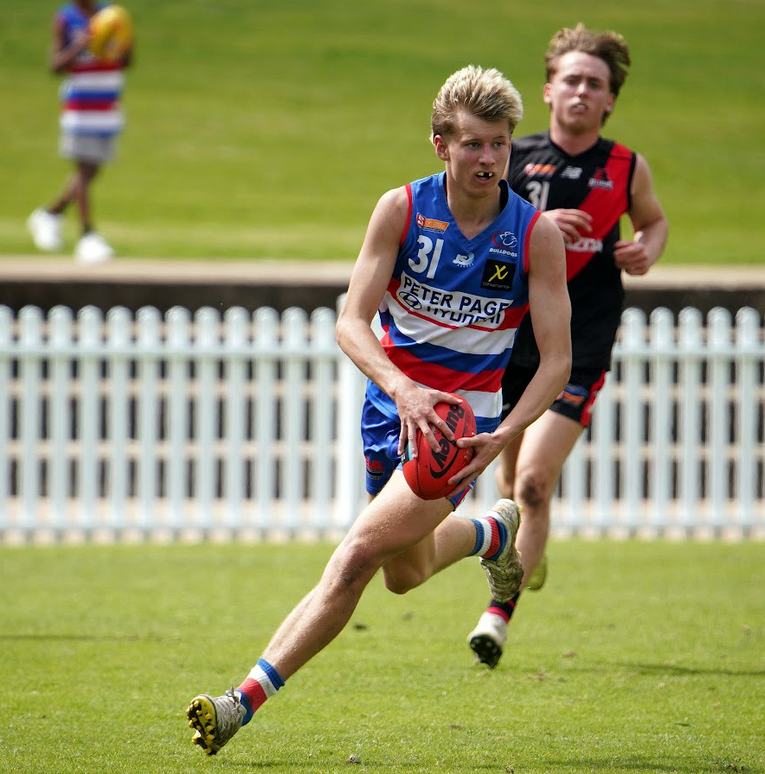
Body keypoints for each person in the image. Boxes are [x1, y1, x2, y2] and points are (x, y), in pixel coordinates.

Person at [185, 65, 572, 757]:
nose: (488, 159)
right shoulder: (401, 209)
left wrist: (505, 432)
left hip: (458, 432)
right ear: (440, 146)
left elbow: (556, 361)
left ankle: (240, 701)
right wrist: (403, 389)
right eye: (474, 144)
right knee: (405, 573)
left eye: (501, 144)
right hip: (388, 408)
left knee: (358, 556)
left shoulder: (534, 235)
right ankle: (490, 534)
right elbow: (351, 324)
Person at [466, 24, 669, 669]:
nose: (582, 91)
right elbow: (481, 231)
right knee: (505, 477)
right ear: (549, 88)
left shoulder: (625, 166)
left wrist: (646, 249)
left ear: (610, 100)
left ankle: (497, 617)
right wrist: (538, 227)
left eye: (596, 84)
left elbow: (655, 222)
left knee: (530, 482)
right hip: (509, 340)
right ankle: (528, 548)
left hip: (579, 348)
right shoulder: (511, 159)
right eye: (572, 80)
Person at [27, 0, 132, 264]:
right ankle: (88, 236)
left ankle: (51, 214)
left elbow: (127, 61)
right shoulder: (66, 18)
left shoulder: (113, 15)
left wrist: (123, 43)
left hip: (107, 103)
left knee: (92, 170)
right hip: (80, 106)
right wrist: (83, 44)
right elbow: (55, 65)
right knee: (84, 171)